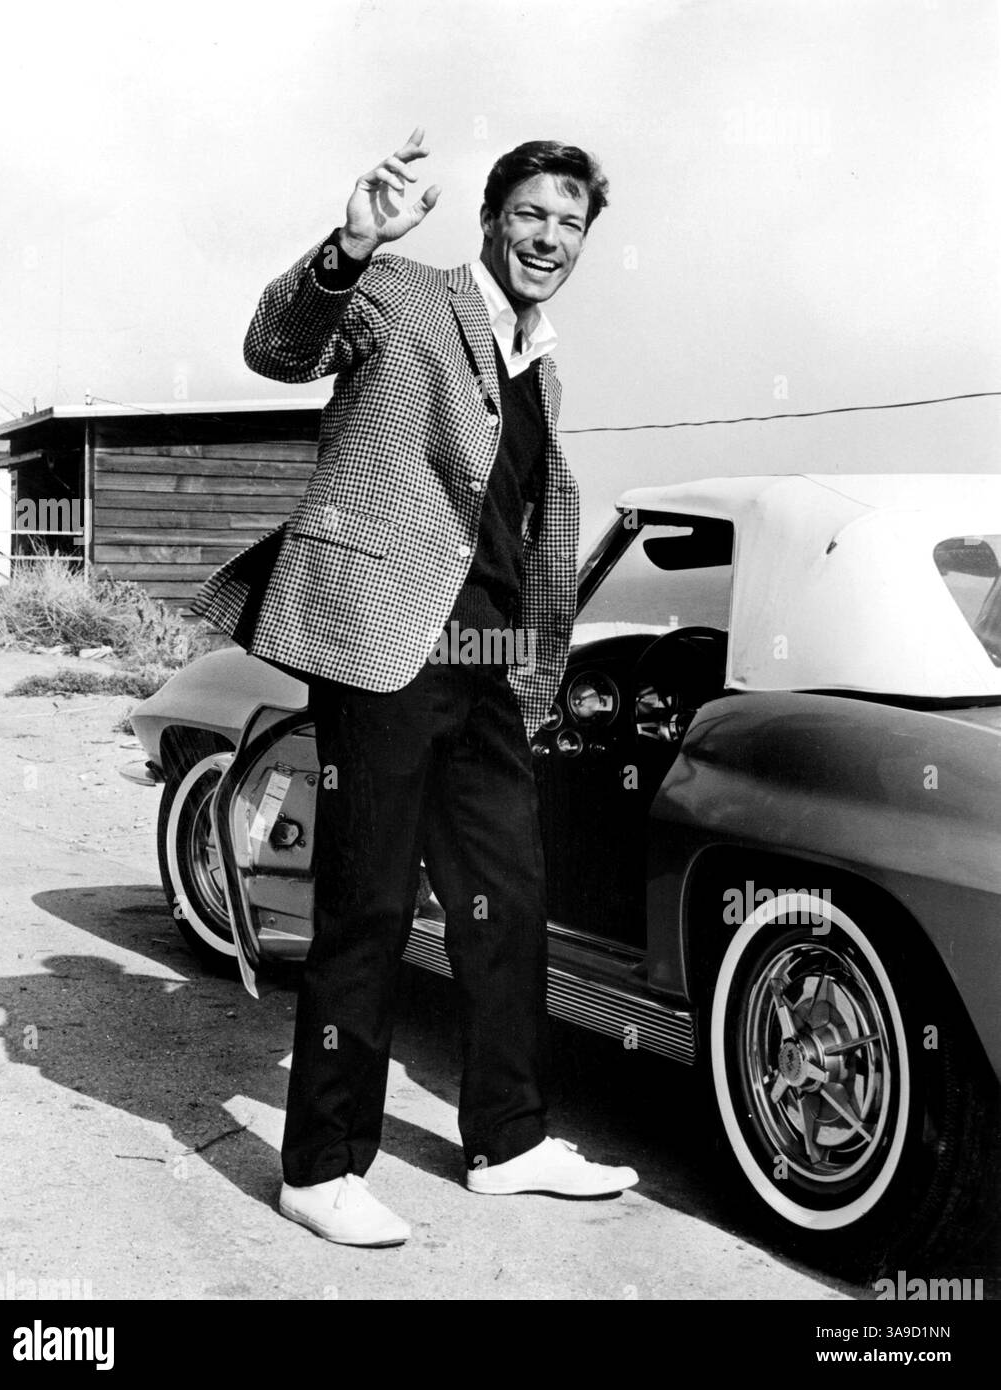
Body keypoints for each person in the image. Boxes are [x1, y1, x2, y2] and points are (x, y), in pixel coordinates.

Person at [193, 127, 639, 1246]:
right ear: (493, 215)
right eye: (534, 213)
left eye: (571, 224)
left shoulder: (542, 362)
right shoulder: (402, 294)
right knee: (371, 905)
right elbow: (278, 346)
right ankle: (321, 1164)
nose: (550, 237)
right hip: (388, 649)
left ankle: (508, 1137)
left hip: (485, 668)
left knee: (510, 902)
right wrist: (350, 242)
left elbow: (525, 526)